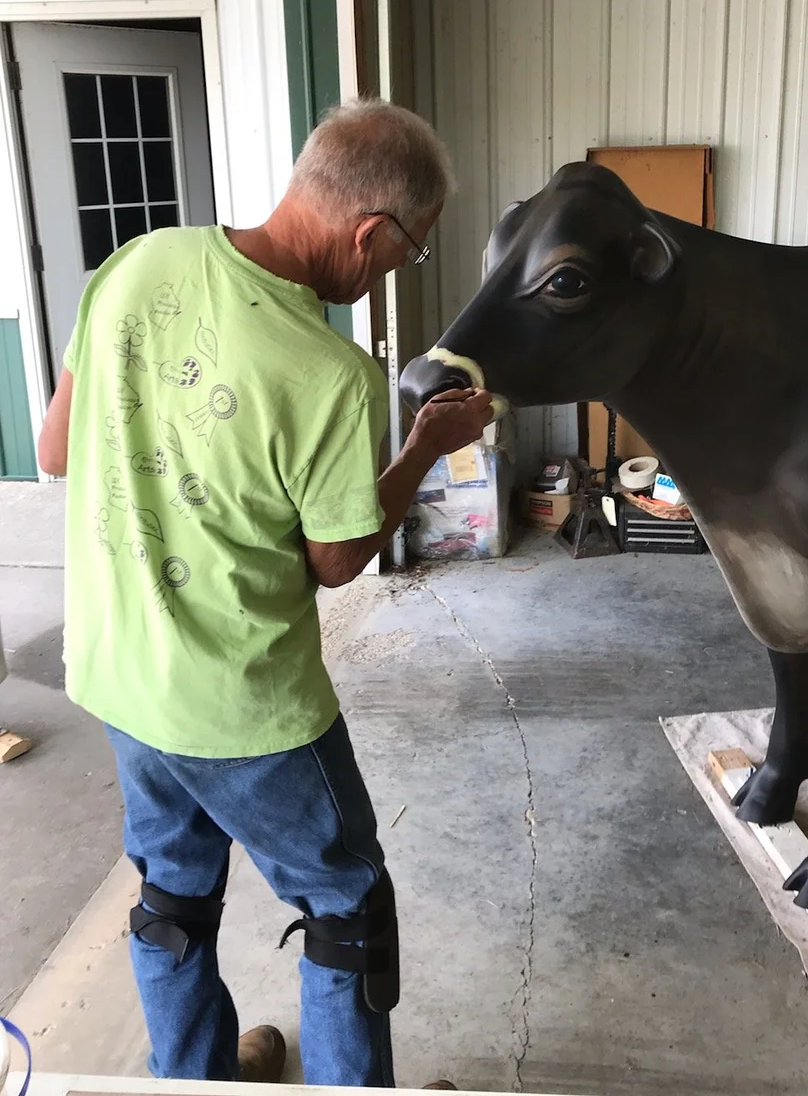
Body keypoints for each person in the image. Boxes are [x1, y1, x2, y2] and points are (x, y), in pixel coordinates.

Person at [37, 99, 494, 1090]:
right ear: (370, 231)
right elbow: (336, 562)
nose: (385, 273)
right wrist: (425, 447)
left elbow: (56, 447)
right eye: (401, 254)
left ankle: (193, 1072)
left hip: (121, 678)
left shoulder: (139, 264)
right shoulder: (328, 373)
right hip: (245, 709)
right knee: (347, 911)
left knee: (171, 895)